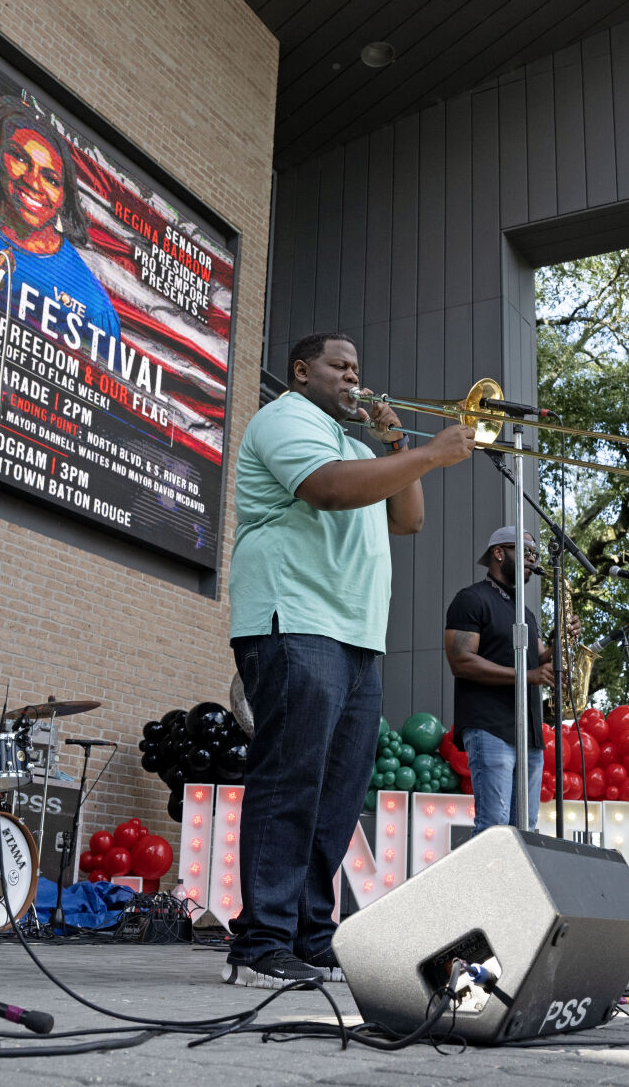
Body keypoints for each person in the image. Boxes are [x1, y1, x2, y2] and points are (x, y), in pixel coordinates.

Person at [223, 331, 475, 989]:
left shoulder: (358, 445)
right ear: (301, 370)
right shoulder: (284, 418)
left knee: (337, 792)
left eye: (358, 367)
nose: (352, 376)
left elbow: (408, 520)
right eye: (339, 366)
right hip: (293, 620)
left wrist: (398, 446)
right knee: (290, 780)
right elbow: (328, 491)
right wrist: (428, 452)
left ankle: (308, 934)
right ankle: (260, 943)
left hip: (356, 635)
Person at [0, 99, 122, 365]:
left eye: (51, 179)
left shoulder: (94, 307)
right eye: (19, 157)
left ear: (64, 197)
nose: (33, 182)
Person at [445, 526, 560, 834]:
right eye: (526, 553)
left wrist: (562, 641)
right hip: (490, 727)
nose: (533, 561)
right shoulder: (471, 599)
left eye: (535, 554)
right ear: (499, 553)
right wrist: (528, 675)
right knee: (494, 828)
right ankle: (486, 885)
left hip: (529, 735)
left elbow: (539, 660)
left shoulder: (526, 613)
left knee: (526, 829)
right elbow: (461, 661)